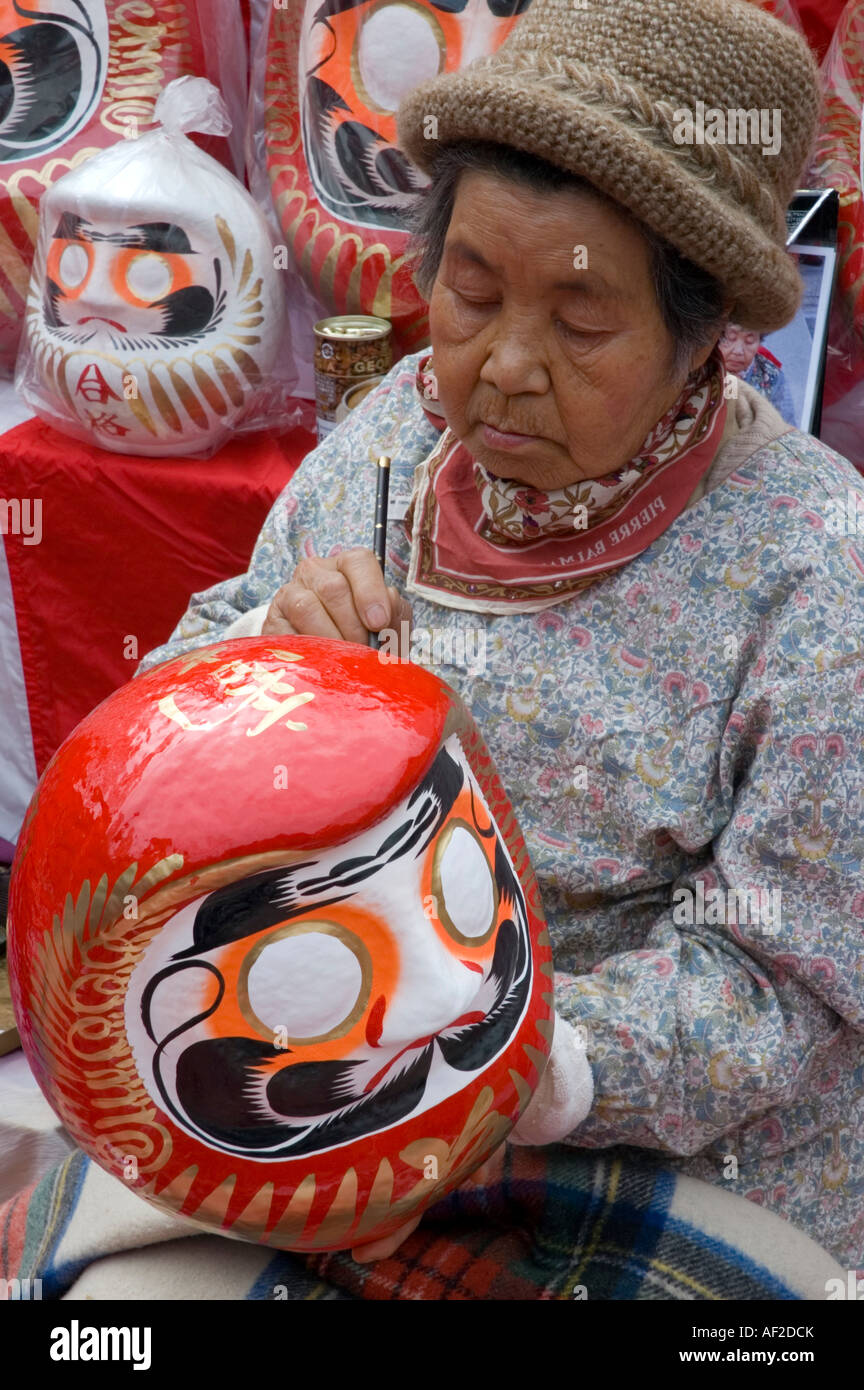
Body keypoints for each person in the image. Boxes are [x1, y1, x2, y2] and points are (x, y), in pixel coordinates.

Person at [139, 0, 864, 1269]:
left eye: (581, 324)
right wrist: (267, 650)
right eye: (470, 291)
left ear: (708, 341)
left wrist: (503, 1063)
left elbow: (784, 978)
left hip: (654, 1157)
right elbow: (178, 695)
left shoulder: (817, 568)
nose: (504, 364)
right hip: (349, 1071)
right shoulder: (397, 437)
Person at [719, 322, 797, 423]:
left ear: (759, 342)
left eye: (749, 341)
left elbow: (785, 426)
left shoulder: (772, 377)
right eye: (730, 338)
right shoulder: (698, 367)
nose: (738, 351)